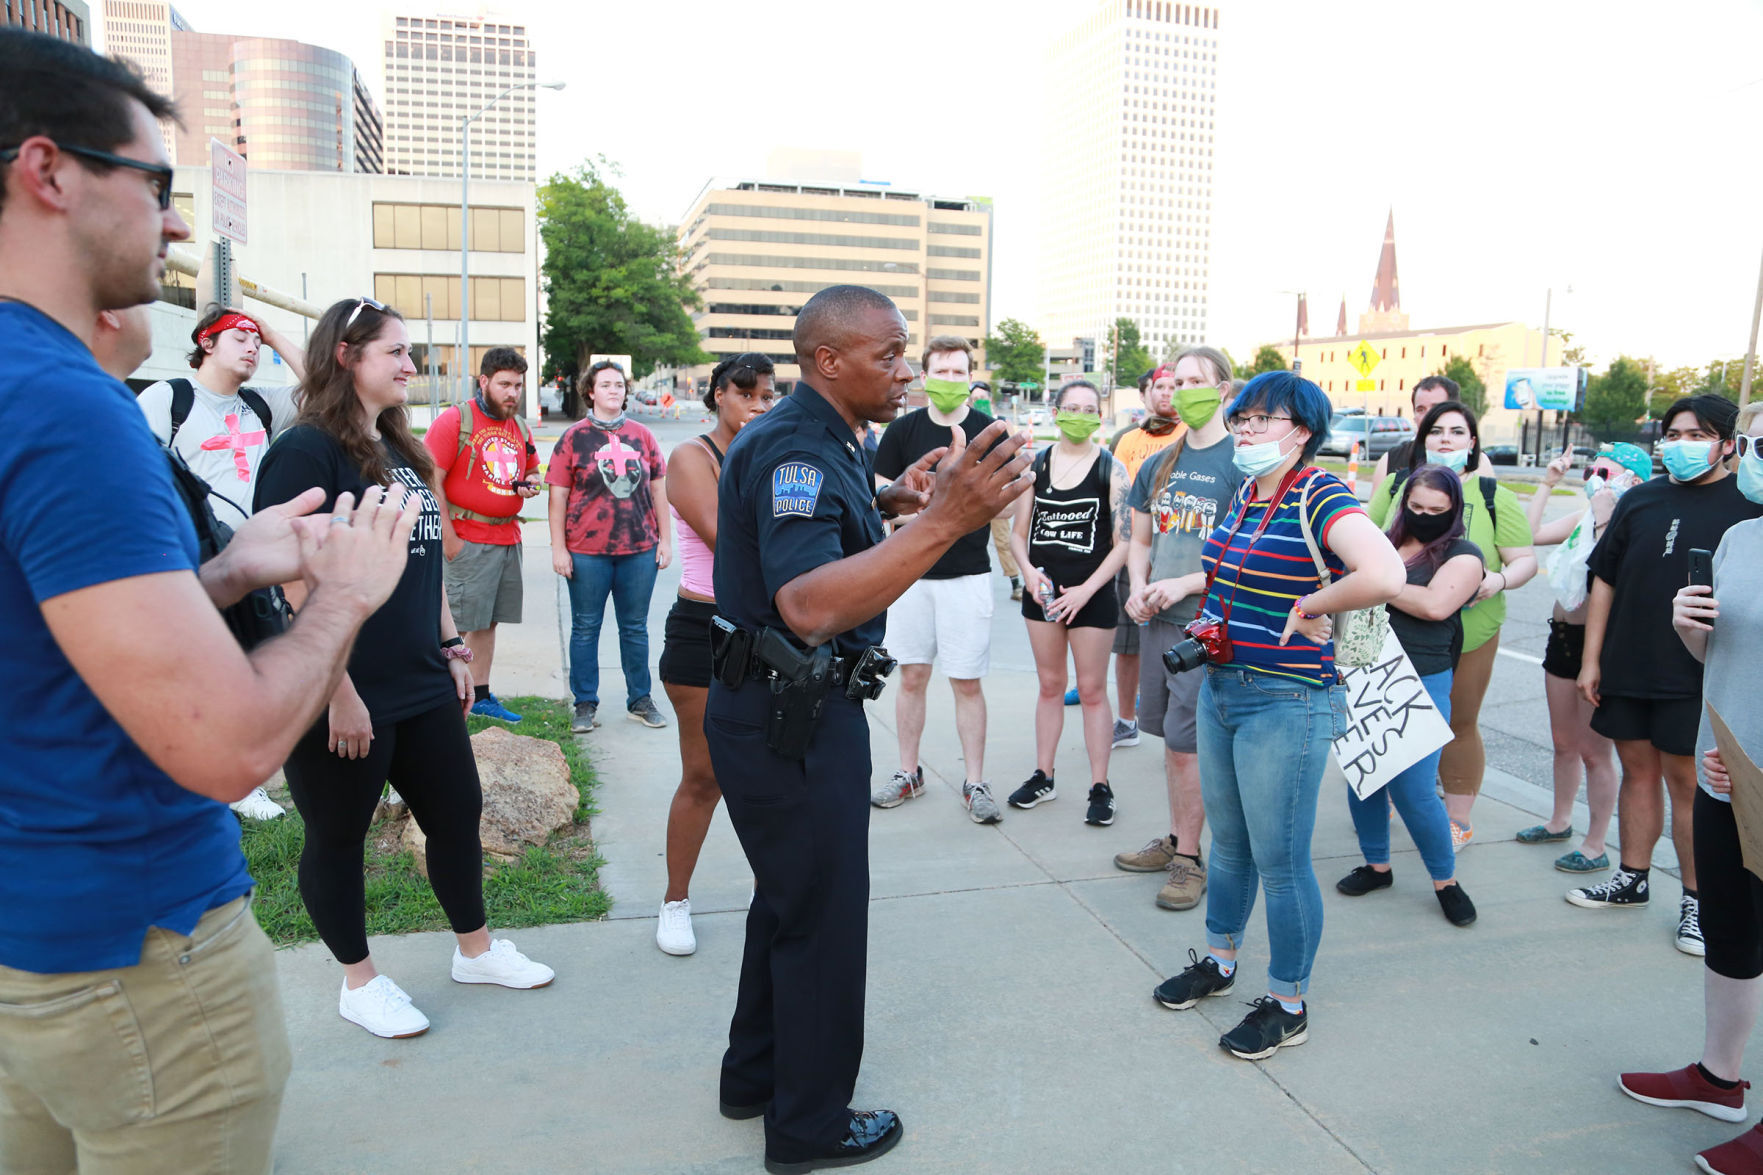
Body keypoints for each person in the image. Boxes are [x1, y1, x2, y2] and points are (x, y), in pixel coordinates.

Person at [0, 30, 419, 1170]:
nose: (178, 223)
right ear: (49, 172)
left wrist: (230, 572)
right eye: (158, 185)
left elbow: (40, 636)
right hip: (131, 950)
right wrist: (342, 597)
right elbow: (224, 746)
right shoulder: (68, 406)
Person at [705, 284, 1030, 1171]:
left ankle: (753, 1077)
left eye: (904, 352)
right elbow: (806, 603)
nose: (905, 369)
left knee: (788, 901)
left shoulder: (823, 437)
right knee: (820, 919)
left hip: (781, 709)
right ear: (827, 361)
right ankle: (807, 1126)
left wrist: (892, 500)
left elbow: (823, 533)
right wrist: (942, 521)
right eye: (887, 354)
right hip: (793, 716)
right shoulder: (795, 450)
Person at [255, 298, 554, 1038]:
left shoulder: (395, 445)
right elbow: (290, 579)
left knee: (456, 811)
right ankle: (359, 981)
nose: (410, 366)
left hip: (419, 675)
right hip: (341, 684)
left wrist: (452, 647)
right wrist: (338, 691)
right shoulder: (304, 450)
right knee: (338, 834)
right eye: (395, 351)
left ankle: (475, 951)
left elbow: (422, 561)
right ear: (346, 355)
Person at [1152, 372, 1404, 1061]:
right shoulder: (1247, 493)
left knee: (1281, 859)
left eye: (1262, 419)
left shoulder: (1318, 491)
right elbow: (1234, 572)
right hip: (1223, 688)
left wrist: (1312, 607)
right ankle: (1219, 958)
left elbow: (1384, 573)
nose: (1245, 429)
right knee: (1228, 846)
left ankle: (1287, 1000)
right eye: (1241, 418)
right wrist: (1185, 591)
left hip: (1286, 698)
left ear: (1302, 430)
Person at [1617, 402, 1763, 1175]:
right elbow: (1718, 653)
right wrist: (1686, 625)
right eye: (1753, 442)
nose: (1755, 455)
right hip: (1723, 774)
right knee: (1730, 936)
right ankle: (1718, 1076)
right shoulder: (1741, 538)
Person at [1571, 394, 1761, 956]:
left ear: (1729, 444)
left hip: (1698, 671)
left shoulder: (1746, 507)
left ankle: (1699, 901)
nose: (1682, 444)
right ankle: (1631, 877)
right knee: (1636, 770)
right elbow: (1603, 578)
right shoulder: (1641, 499)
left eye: (1697, 434)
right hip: (1630, 662)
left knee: (1690, 783)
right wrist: (1591, 657)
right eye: (1674, 434)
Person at [138, 304, 309, 820]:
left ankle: (233, 774)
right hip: (187, 557)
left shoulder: (260, 404)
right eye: (240, 337)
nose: (252, 347)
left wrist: (274, 333)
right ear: (206, 342)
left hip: (252, 558)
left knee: (247, 667)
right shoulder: (169, 398)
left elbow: (325, 388)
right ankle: (214, 780)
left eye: (256, 341)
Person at [1367, 399, 1537, 849]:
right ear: (1422, 441)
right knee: (1384, 718)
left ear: (1472, 442)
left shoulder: (1493, 496)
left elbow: (1525, 560)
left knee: (1459, 721)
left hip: (1470, 632)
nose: (1446, 439)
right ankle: (1383, 798)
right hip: (1392, 635)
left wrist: (1497, 579)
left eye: (1457, 432)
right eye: (1436, 431)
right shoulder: (1398, 485)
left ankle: (1456, 819)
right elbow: (1367, 540)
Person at [655, 353, 775, 957]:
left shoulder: (772, 456)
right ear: (718, 395)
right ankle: (675, 902)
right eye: (747, 394)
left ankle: (770, 892)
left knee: (770, 776)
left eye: (769, 396)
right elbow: (729, 543)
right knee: (705, 777)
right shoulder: (691, 458)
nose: (759, 406)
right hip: (705, 626)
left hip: (765, 629)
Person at [1118, 346, 1238, 910]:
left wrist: (1187, 584)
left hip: (1208, 627)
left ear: (1223, 390)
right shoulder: (1157, 464)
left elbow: (1248, 553)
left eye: (1197, 381)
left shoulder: (1244, 463)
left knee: (1191, 748)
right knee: (1170, 742)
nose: (1185, 389)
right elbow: (1140, 541)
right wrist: (1140, 587)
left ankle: (1190, 860)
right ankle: (1177, 839)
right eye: (1178, 380)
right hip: (1158, 620)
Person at [1337, 465, 1481, 926]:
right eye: (1416, 507)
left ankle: (1446, 881)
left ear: (1453, 510)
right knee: (1365, 777)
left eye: (1435, 510)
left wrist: (1377, 579)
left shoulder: (1463, 555)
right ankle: (1377, 865)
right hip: (1363, 670)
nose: (1424, 516)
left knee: (1416, 790)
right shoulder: (1381, 543)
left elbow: (1436, 605)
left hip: (1421, 676)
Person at [869, 336, 1001, 818]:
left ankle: (975, 782)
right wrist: (929, 513)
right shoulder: (902, 431)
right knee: (912, 676)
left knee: (967, 681)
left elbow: (1000, 500)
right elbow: (883, 501)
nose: (950, 379)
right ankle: (909, 772)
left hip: (967, 576)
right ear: (925, 376)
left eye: (958, 371)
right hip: (910, 574)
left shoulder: (989, 431)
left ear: (970, 377)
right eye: (941, 371)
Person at [1517, 442, 1651, 872]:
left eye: (1608, 475)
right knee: (1563, 744)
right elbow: (1528, 536)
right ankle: (1559, 821)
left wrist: (1607, 514)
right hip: (1563, 638)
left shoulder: (1633, 524)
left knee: (1596, 752)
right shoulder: (1583, 519)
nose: (1598, 480)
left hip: (1602, 647)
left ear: (1635, 481)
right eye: (1595, 472)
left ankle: (1596, 844)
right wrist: (1548, 483)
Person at [1007, 378, 1130, 826]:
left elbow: (1122, 544)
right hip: (1043, 592)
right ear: (1056, 413)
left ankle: (1101, 785)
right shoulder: (1035, 467)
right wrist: (1028, 573)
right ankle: (1044, 775)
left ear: (1099, 415)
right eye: (1071, 407)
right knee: (1049, 685)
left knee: (1093, 690)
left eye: (1088, 408)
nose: (1079, 414)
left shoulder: (1111, 470)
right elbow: (1018, 535)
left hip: (1091, 596)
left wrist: (1087, 590)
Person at [547, 359, 672, 734]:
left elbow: (658, 490)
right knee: (585, 628)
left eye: (619, 385)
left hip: (638, 550)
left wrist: (665, 540)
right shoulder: (573, 438)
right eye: (605, 385)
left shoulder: (642, 436)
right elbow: (558, 498)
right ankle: (584, 703)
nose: (613, 390)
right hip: (586, 551)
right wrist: (559, 549)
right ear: (591, 391)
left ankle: (640, 700)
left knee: (635, 628)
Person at [425, 346, 540, 725]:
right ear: (484, 381)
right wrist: (448, 537)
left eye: (518, 385)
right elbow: (431, 479)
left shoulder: (519, 426)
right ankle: (435, 696)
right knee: (453, 623)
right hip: (466, 538)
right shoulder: (456, 420)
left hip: (506, 540)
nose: (513, 393)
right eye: (505, 384)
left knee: (488, 620)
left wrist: (531, 484)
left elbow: (533, 467)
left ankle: (482, 693)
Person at [1103, 365, 1185, 743]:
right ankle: (1127, 720)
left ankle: (1180, 722)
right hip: (1132, 549)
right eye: (1160, 387)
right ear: (1145, 394)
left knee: (1179, 641)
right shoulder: (1125, 439)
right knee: (1128, 644)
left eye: (1175, 386)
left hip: (1175, 555)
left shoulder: (1191, 435)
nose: (1167, 393)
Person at [1369, 375, 1494, 497]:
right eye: (1421, 409)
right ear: (1414, 415)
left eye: (1436, 408)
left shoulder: (1478, 462)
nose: (1428, 416)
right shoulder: (1390, 460)